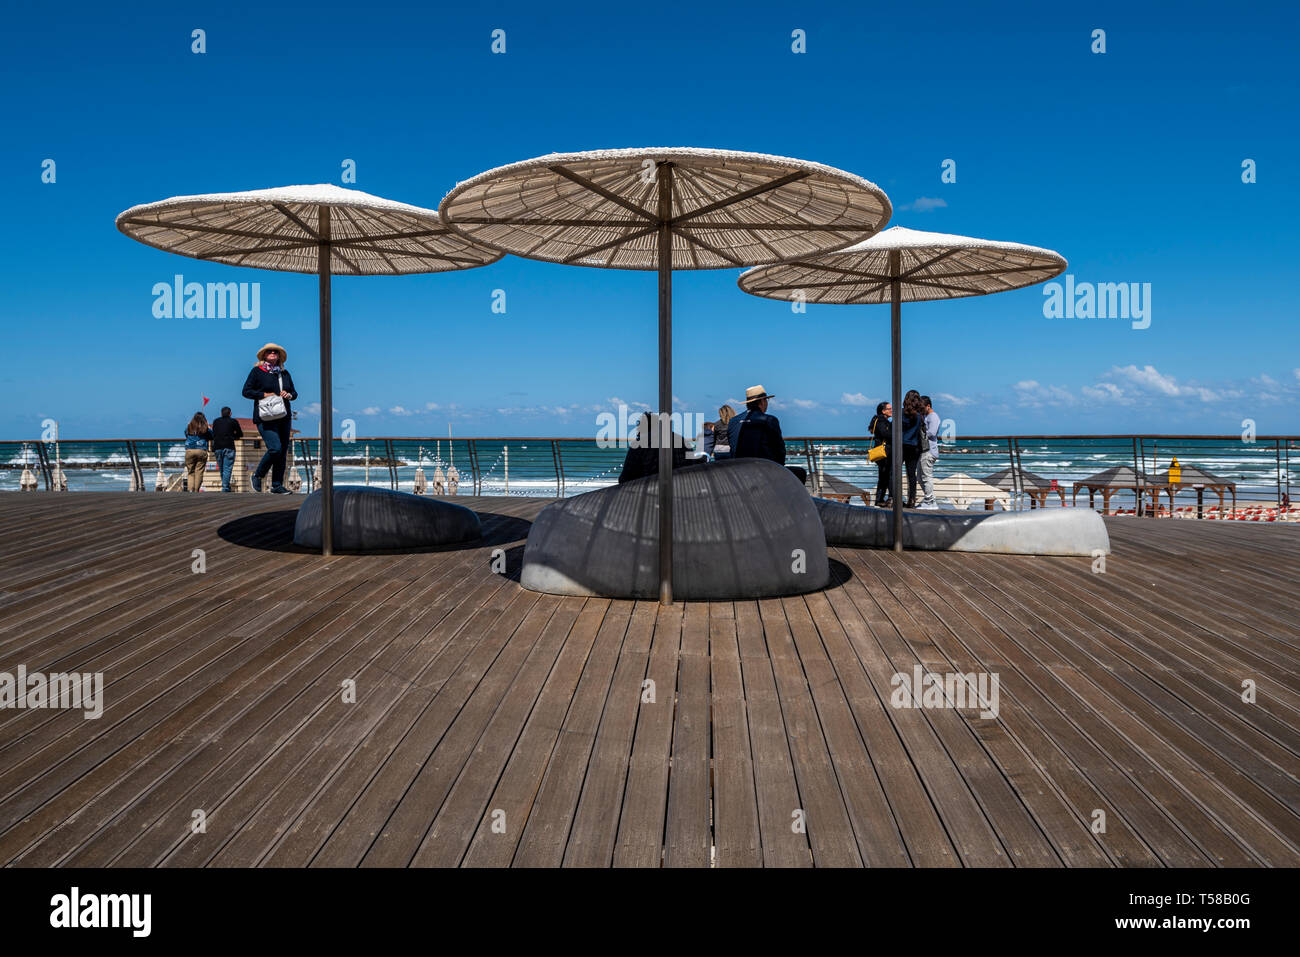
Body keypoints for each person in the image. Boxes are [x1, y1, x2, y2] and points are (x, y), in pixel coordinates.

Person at [242, 343, 298, 494]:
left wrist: (289, 395)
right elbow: (246, 391)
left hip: (284, 416)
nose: (273, 353)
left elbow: (294, 392)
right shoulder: (257, 372)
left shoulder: (284, 374)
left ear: (279, 356)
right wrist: (263, 394)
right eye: (270, 352)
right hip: (265, 416)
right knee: (275, 448)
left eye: (276, 352)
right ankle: (258, 475)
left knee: (283, 451)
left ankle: (276, 485)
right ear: (264, 355)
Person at [731, 385, 807, 485]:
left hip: (738, 472)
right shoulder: (769, 420)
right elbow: (780, 451)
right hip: (764, 472)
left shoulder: (733, 421)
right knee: (801, 473)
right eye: (767, 400)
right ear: (762, 401)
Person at [618, 412, 688, 484]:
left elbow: (624, 479)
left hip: (646, 492)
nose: (637, 430)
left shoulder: (638, 445)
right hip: (681, 491)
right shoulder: (681, 441)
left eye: (639, 426)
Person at [210, 406, 243, 492]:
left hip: (217, 447)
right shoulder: (233, 421)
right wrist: (233, 436)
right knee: (227, 468)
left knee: (221, 468)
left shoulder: (216, 421)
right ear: (230, 413)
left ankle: (226, 486)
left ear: (221, 413)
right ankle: (225, 487)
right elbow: (240, 433)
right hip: (229, 446)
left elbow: (214, 434)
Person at [900, 389, 924, 507]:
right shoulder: (919, 415)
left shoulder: (901, 413)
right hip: (915, 447)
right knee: (911, 475)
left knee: (894, 473)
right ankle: (912, 499)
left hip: (901, 446)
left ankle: (894, 498)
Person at [918, 395, 941, 509]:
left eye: (922, 407)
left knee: (926, 476)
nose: (920, 410)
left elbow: (931, 432)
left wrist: (919, 432)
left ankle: (930, 501)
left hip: (929, 450)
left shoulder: (933, 416)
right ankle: (930, 499)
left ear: (928, 406)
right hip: (924, 450)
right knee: (920, 477)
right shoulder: (926, 416)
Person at [868, 400, 892, 507]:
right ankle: (880, 499)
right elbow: (885, 434)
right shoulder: (881, 421)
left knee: (883, 477)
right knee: (885, 477)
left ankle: (880, 499)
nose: (891, 410)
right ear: (883, 411)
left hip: (881, 451)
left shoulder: (879, 420)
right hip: (883, 452)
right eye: (889, 409)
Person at [183, 412, 212, 492]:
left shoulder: (189, 426)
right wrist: (208, 427)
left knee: (191, 471)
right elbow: (212, 436)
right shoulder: (205, 428)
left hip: (190, 450)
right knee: (199, 471)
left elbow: (186, 434)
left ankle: (190, 490)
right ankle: (196, 490)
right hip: (201, 450)